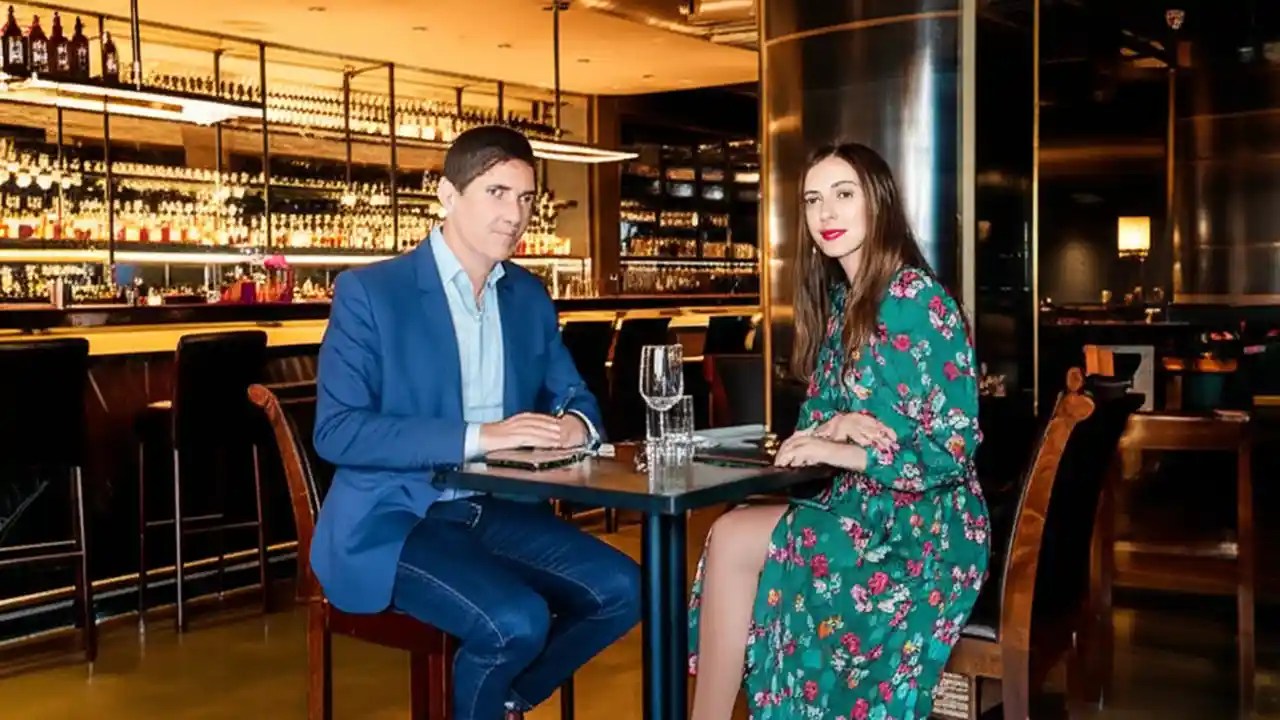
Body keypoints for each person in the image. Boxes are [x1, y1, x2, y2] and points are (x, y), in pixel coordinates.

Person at [310, 125, 642, 720]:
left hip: (497, 509)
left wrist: (575, 426)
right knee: (517, 621)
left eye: (525, 198)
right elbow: (338, 431)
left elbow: (576, 394)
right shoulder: (370, 293)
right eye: (496, 193)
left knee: (625, 590)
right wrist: (482, 436)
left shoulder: (528, 297)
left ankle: (501, 703)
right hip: (394, 518)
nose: (514, 214)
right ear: (446, 195)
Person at [686, 142, 990, 718]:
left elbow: (954, 449)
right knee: (729, 537)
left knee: (733, 541)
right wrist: (839, 424)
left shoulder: (915, 299)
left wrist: (847, 451)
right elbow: (808, 433)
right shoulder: (845, 301)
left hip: (926, 532)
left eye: (843, 195)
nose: (826, 214)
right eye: (813, 200)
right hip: (861, 508)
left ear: (878, 204)